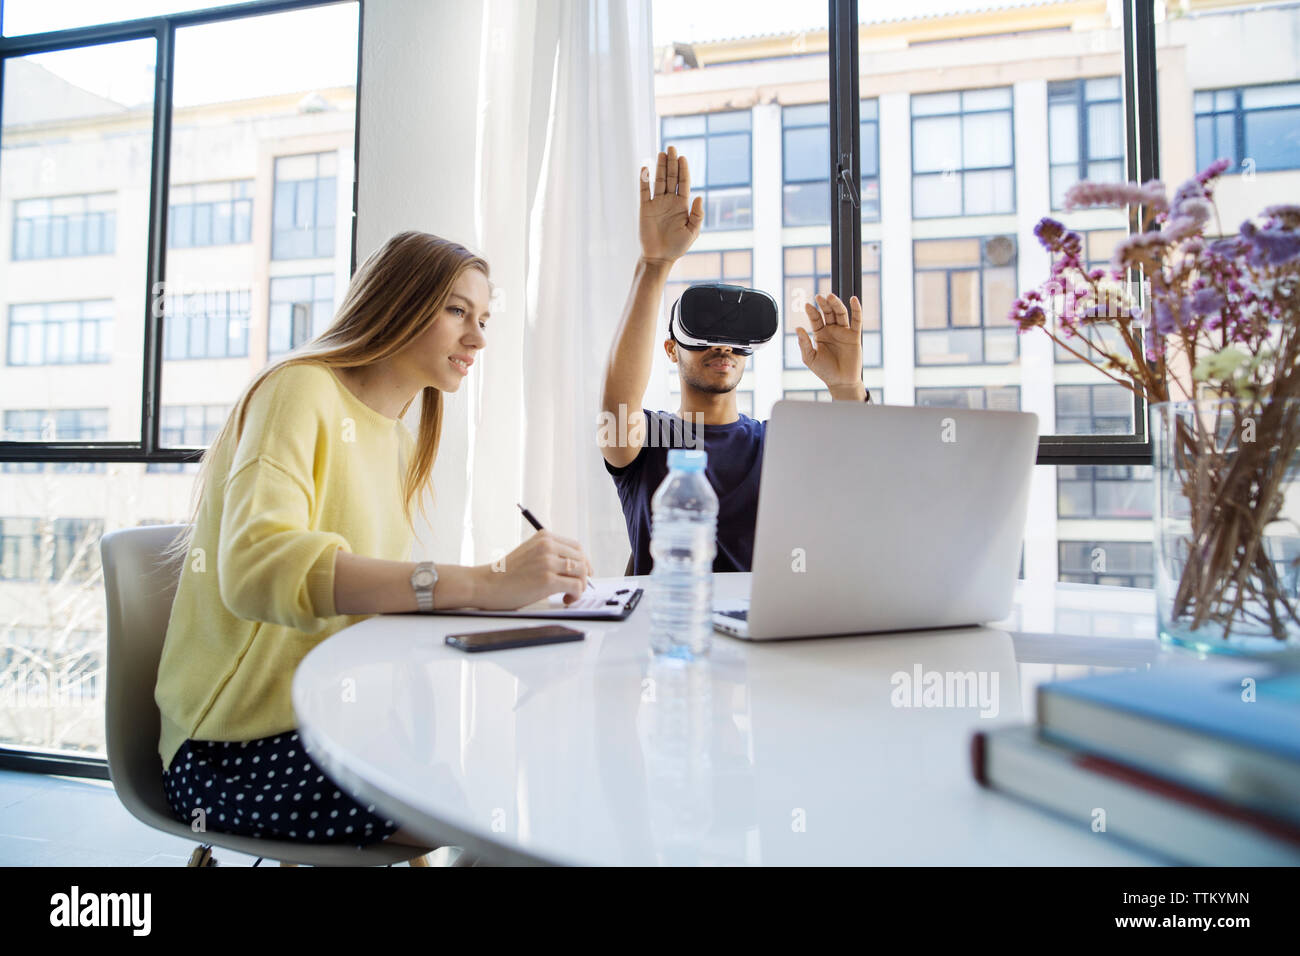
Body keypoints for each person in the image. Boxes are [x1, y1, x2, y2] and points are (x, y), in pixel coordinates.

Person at [154, 231, 594, 854]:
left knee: (527, 775)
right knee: (492, 816)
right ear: (396, 303)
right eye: (457, 311)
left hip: (339, 721)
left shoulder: (394, 438)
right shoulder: (299, 390)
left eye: (484, 318)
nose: (478, 338)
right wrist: (486, 581)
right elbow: (255, 569)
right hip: (231, 749)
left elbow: (368, 596)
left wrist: (506, 597)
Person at [599, 146, 870, 574]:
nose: (722, 347)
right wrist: (655, 263)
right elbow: (616, 406)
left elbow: (860, 471)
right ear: (671, 349)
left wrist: (846, 388)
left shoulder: (774, 442)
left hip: (759, 632)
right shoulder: (647, 437)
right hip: (666, 630)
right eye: (704, 336)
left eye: (733, 339)